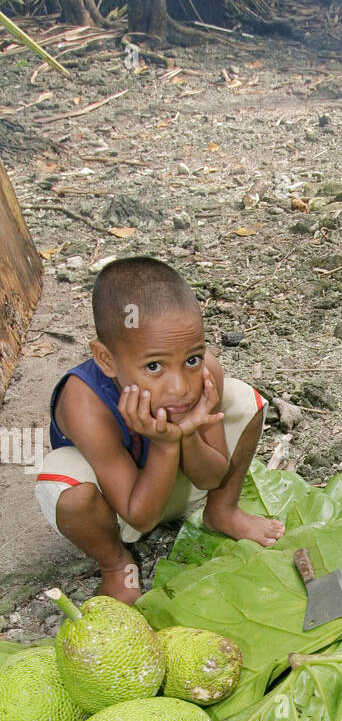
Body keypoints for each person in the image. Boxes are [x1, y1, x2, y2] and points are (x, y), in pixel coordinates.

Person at [35, 256, 284, 602]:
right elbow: (140, 518)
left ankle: (222, 511)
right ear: (106, 359)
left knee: (244, 400)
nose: (180, 386)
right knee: (63, 486)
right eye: (154, 366)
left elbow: (211, 477)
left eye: (192, 359)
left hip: (182, 487)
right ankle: (115, 564)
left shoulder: (206, 374)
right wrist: (166, 444)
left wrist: (187, 431)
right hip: (120, 506)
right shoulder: (84, 402)